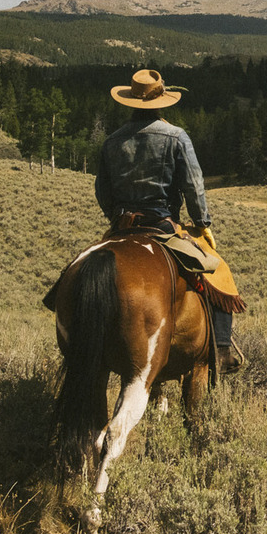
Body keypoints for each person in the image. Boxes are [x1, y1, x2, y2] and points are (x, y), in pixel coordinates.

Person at [95, 68, 242, 373]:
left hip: (121, 227)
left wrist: (116, 217)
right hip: (162, 225)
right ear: (162, 100)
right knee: (218, 270)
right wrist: (202, 223)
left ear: (130, 101)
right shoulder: (176, 136)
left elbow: (102, 190)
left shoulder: (112, 141)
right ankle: (222, 350)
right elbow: (193, 185)